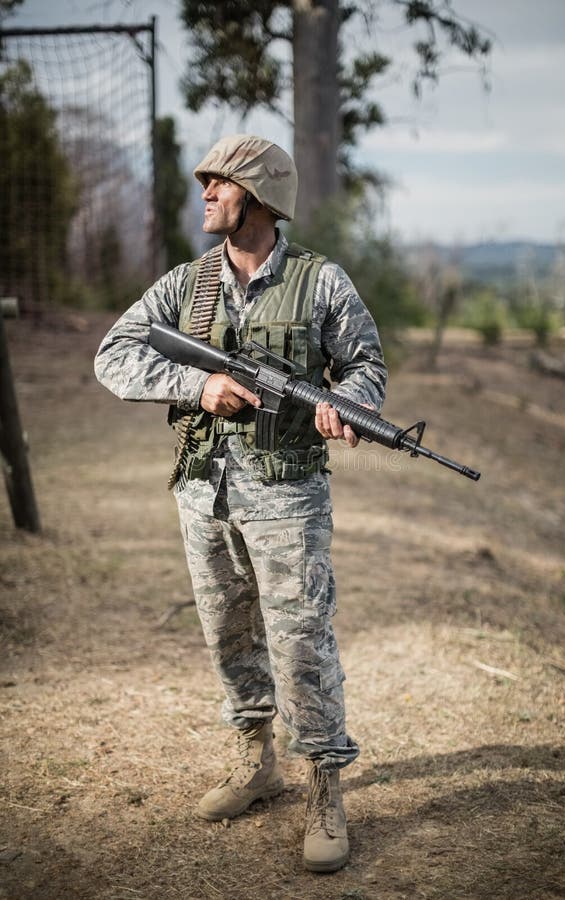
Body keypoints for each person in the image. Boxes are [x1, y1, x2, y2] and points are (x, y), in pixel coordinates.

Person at [94, 134, 387, 873]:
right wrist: (198, 387)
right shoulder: (187, 285)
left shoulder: (321, 283)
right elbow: (113, 353)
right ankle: (257, 760)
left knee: (300, 640)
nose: (206, 196)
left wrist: (346, 404)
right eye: (205, 186)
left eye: (218, 184)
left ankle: (323, 782)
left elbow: (364, 366)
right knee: (228, 631)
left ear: (256, 196)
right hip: (203, 488)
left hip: (288, 492)